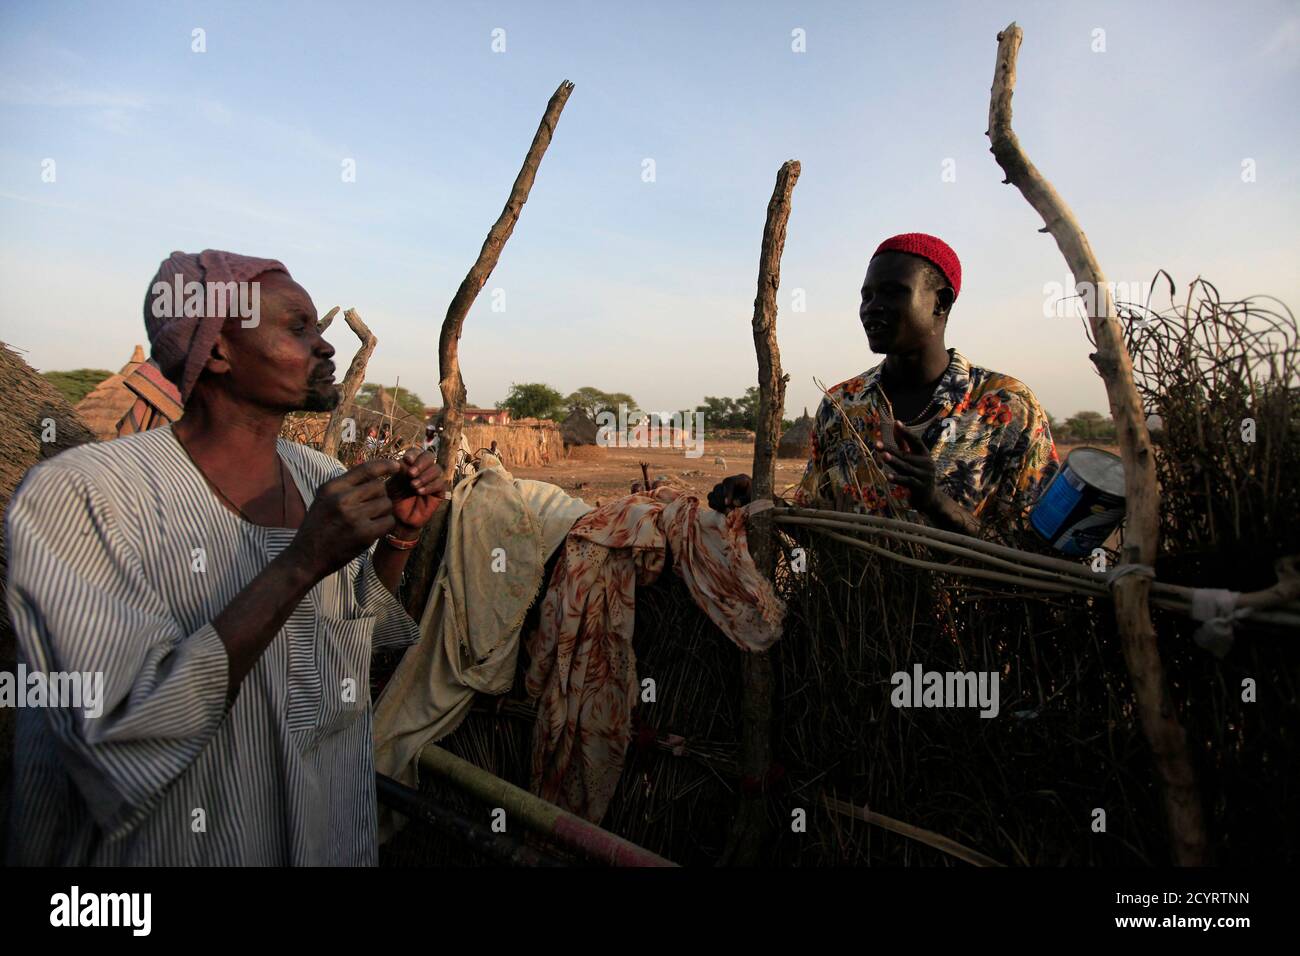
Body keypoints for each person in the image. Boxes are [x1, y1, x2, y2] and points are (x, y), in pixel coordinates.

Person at [5, 249, 448, 865]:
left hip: (325, 832)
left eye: (320, 328)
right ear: (217, 350)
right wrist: (301, 560)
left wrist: (398, 538)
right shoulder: (86, 494)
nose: (324, 346)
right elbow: (119, 730)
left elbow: (343, 646)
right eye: (297, 328)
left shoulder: (317, 474)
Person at [710, 233, 1058, 536]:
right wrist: (757, 500)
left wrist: (936, 502)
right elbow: (817, 523)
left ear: (942, 301)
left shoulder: (1006, 407)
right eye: (867, 296)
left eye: (892, 293)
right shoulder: (842, 405)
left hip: (970, 614)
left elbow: (1039, 553)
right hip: (851, 614)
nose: (872, 308)